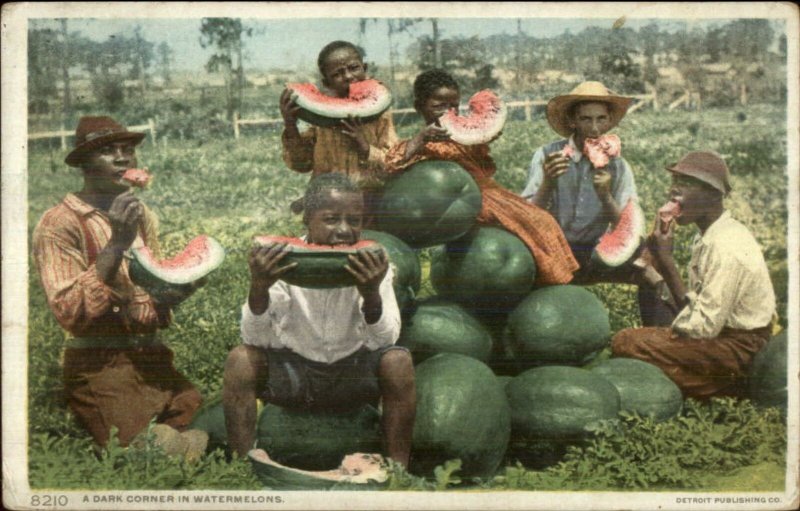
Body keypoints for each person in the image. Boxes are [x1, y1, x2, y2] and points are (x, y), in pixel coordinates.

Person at [32, 116, 207, 456]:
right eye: (108, 151)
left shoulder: (141, 215)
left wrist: (175, 293)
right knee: (151, 450)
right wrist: (116, 243)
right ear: (84, 163)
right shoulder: (58, 224)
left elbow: (149, 295)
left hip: (150, 356)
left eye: (127, 150)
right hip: (100, 364)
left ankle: (176, 440)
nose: (122, 158)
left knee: (210, 419)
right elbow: (70, 313)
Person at [223, 173, 415, 467]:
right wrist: (259, 286)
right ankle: (241, 466)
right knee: (240, 359)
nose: (344, 230)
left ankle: (398, 469)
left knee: (398, 361)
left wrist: (371, 293)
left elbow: (385, 341)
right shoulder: (282, 262)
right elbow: (255, 338)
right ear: (307, 219)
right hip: (295, 375)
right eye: (331, 219)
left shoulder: (372, 266)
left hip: (352, 375)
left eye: (354, 221)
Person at [384, 69, 579, 286]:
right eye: (438, 106)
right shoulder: (423, 143)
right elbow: (394, 161)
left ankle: (551, 278)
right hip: (468, 200)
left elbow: (484, 168)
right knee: (530, 222)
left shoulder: (460, 137)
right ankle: (547, 279)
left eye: (454, 106)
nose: (448, 112)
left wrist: (484, 137)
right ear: (419, 106)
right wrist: (421, 138)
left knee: (542, 220)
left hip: (489, 191)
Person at [611, 151, 776, 399]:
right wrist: (652, 273)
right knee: (649, 294)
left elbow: (701, 328)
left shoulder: (726, 246)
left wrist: (667, 262)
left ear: (713, 194)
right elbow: (696, 305)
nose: (673, 192)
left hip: (739, 347)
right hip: (718, 332)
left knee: (625, 341)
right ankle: (700, 380)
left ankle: (728, 385)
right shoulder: (709, 233)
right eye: (674, 182)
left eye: (685, 184)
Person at [521, 81, 674, 325]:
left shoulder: (620, 166)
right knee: (517, 271)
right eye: (585, 119)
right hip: (554, 252)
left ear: (609, 121)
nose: (594, 129)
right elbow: (528, 217)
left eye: (601, 119)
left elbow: (624, 227)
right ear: (572, 120)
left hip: (597, 255)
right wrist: (548, 182)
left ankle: (656, 337)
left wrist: (605, 196)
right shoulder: (546, 156)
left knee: (654, 262)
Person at [280, 40, 398, 223]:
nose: (349, 76)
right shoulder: (320, 118)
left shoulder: (381, 116)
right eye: (337, 74)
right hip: (326, 209)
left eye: (354, 68)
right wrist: (290, 125)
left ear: (364, 68)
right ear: (326, 83)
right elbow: (301, 164)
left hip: (369, 209)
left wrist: (365, 147)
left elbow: (394, 163)